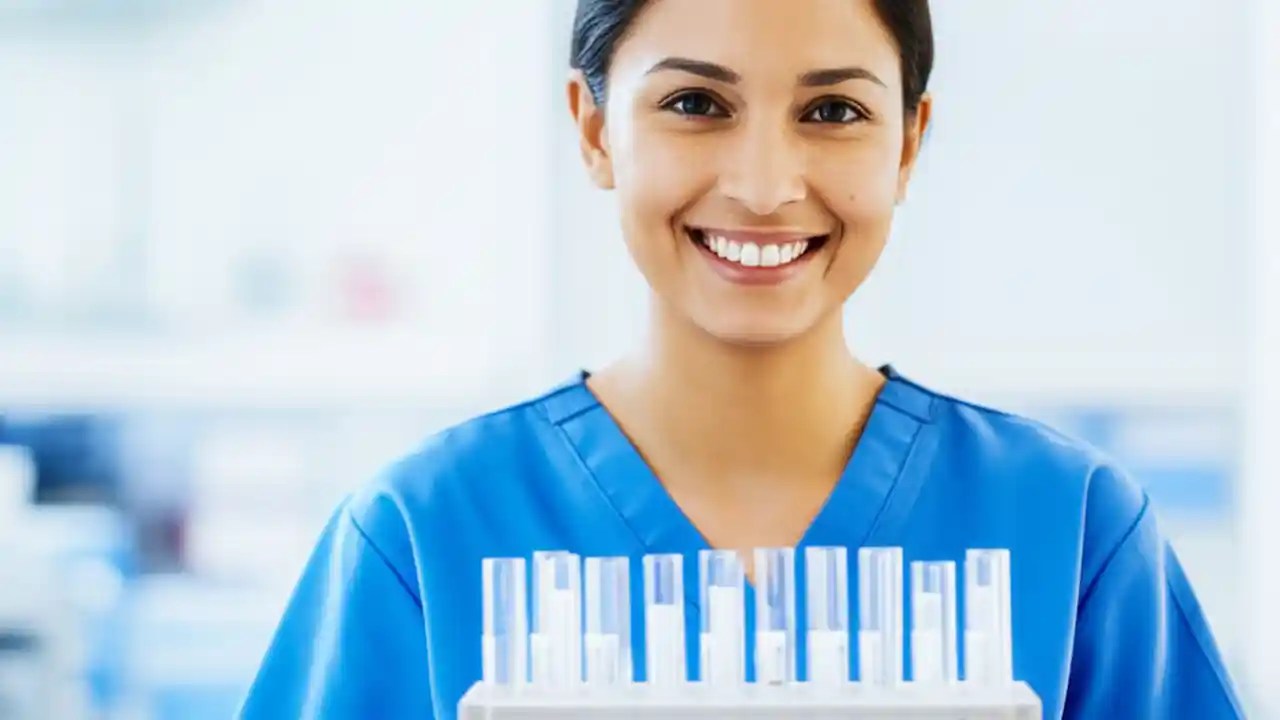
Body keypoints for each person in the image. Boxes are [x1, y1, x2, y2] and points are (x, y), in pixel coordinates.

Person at [238, 1, 1244, 717]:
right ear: (593, 130)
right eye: (693, 104)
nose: (764, 186)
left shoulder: (1071, 532)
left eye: (832, 111)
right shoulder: (421, 536)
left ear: (906, 144)